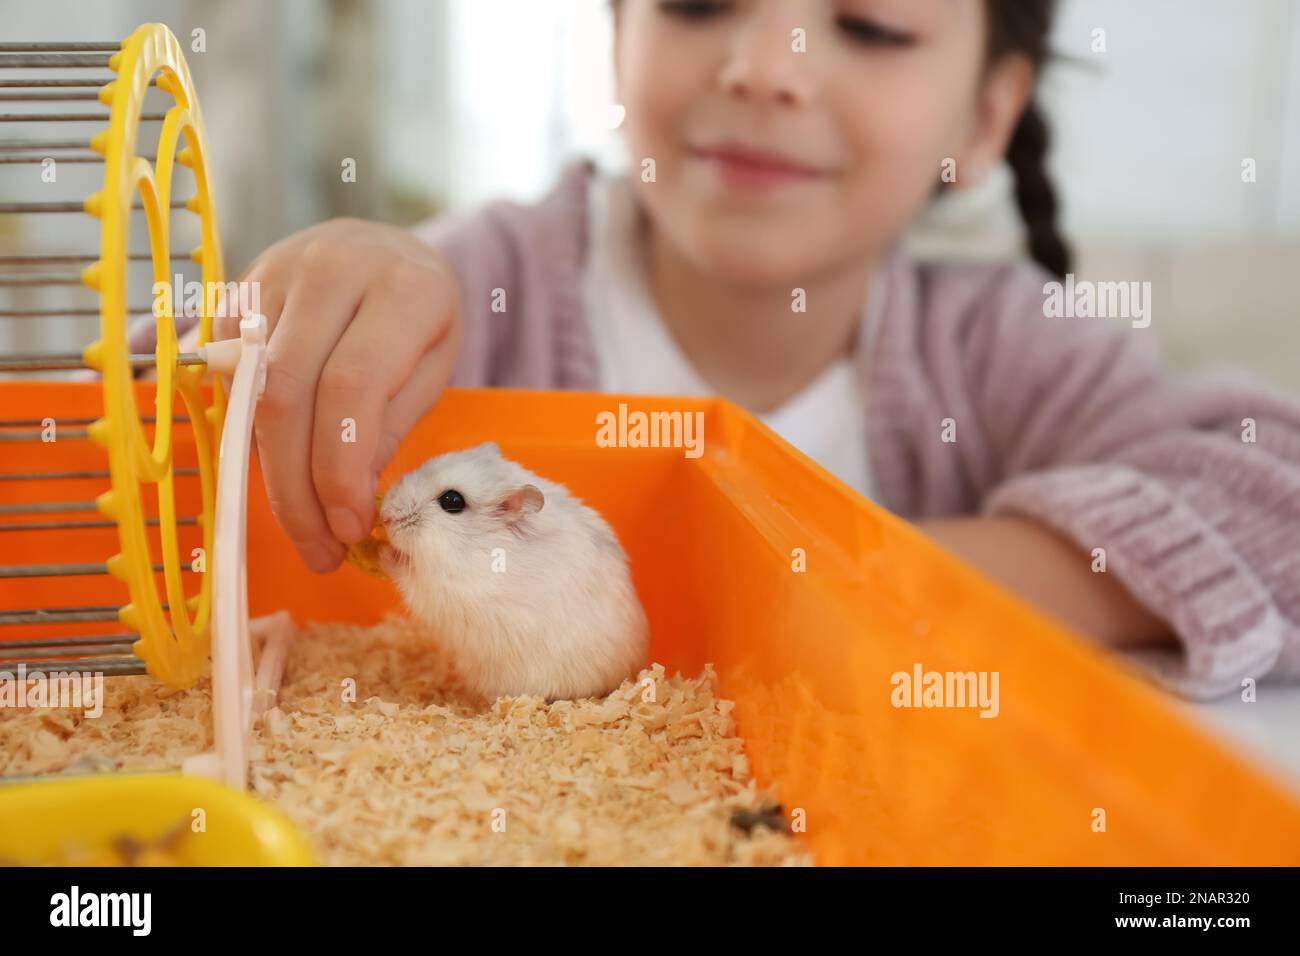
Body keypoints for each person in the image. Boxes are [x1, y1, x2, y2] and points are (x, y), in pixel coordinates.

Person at [169, 0, 1299, 699]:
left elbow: (1273, 501)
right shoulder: (487, 280)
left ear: (984, 117)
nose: (767, 65)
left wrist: (810, 574)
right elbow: (131, 424)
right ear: (614, 34)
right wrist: (303, 314)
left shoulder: (1002, 342)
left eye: (868, 24)